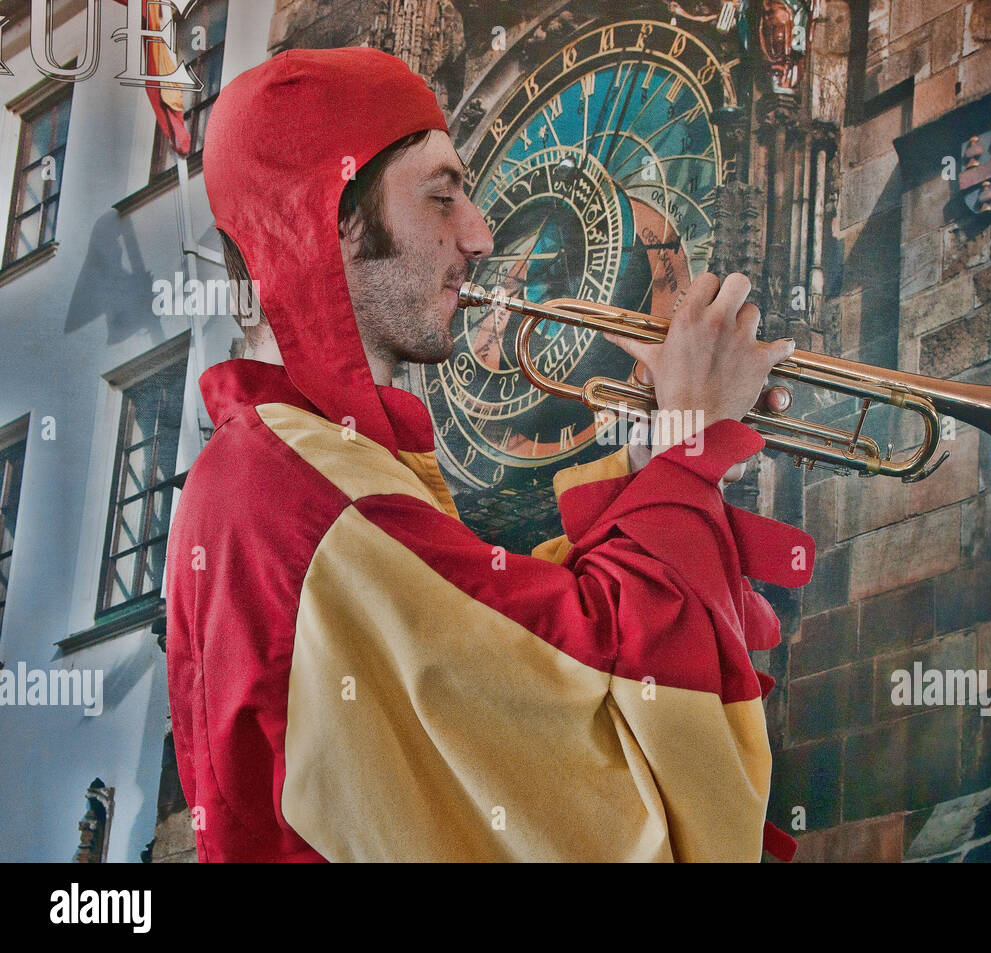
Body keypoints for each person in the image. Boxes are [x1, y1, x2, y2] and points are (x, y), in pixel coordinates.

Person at [165, 46, 815, 862]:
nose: (479, 235)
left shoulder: (291, 464)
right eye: (442, 197)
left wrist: (657, 448)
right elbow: (576, 757)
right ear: (332, 220)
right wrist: (686, 449)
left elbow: (504, 658)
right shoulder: (302, 492)